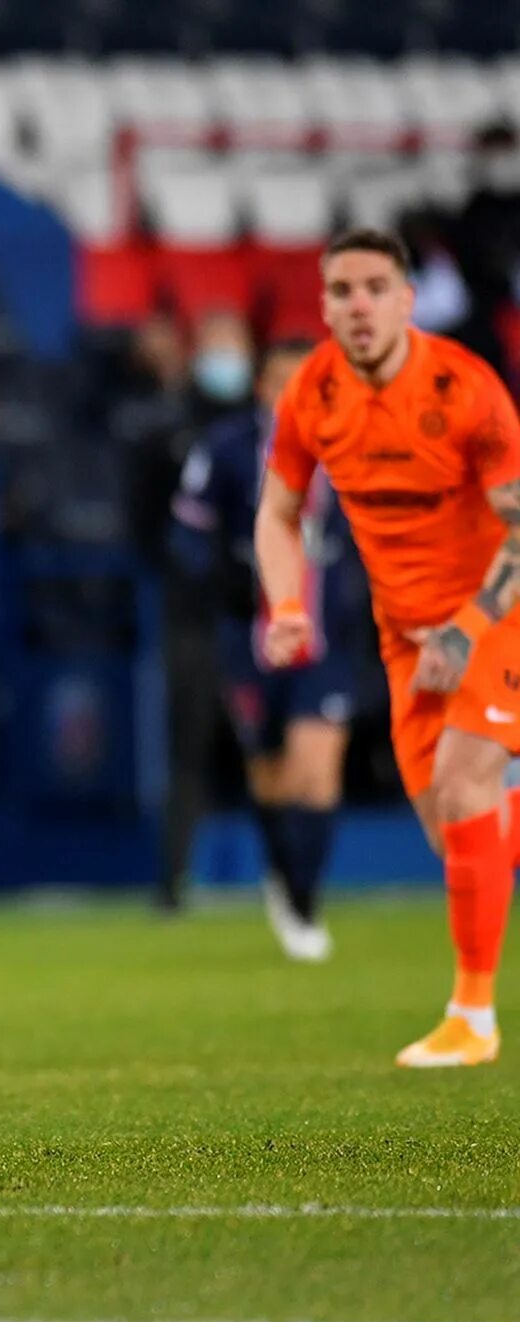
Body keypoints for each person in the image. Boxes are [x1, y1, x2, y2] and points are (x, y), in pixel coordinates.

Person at [256, 227, 520, 1068]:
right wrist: (288, 604)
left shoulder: (467, 389)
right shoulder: (313, 393)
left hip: (492, 616)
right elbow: (277, 514)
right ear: (326, 304)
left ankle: (472, 1019)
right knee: (454, 831)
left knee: (465, 779)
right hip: (404, 637)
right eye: (341, 290)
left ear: (408, 299)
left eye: (375, 286)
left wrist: (469, 627)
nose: (358, 304)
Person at [173, 338, 355, 960]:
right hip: (250, 638)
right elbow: (189, 532)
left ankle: (305, 902)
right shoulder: (227, 448)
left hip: (325, 637)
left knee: (318, 768)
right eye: (281, 380)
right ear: (261, 387)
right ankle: (282, 873)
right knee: (271, 776)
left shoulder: (352, 449)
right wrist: (220, 577)